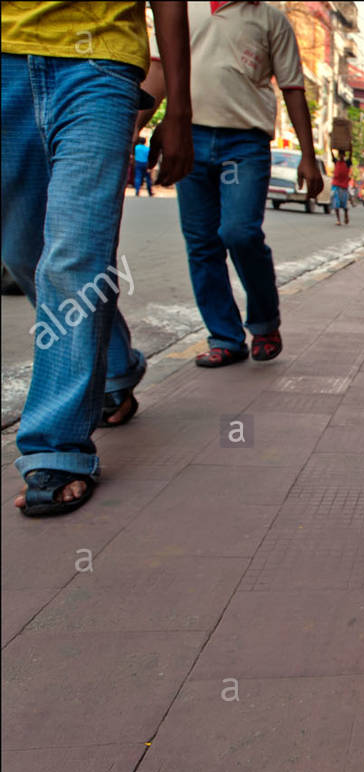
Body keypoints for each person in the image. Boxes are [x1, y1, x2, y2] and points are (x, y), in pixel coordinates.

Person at [3, 1, 192, 517]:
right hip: (5, 58)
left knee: (73, 256)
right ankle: (114, 367)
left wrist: (179, 110)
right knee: (24, 255)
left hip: (99, 65)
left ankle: (56, 448)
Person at [138, 0, 323, 368]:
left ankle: (265, 322)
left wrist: (307, 154)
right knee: (202, 244)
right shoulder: (181, 8)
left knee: (240, 232)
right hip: (189, 136)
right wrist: (134, 126)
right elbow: (158, 72)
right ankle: (225, 337)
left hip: (246, 142)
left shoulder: (272, 20)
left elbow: (292, 88)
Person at [332, 151, 351, 226]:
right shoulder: (336, 162)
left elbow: (350, 155)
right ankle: (338, 220)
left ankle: (346, 215)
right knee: (336, 204)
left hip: (344, 187)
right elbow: (332, 156)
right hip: (336, 186)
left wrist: (350, 148)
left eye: (342, 155)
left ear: (344, 156)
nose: (341, 157)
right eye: (340, 155)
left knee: (344, 205)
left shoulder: (347, 163)